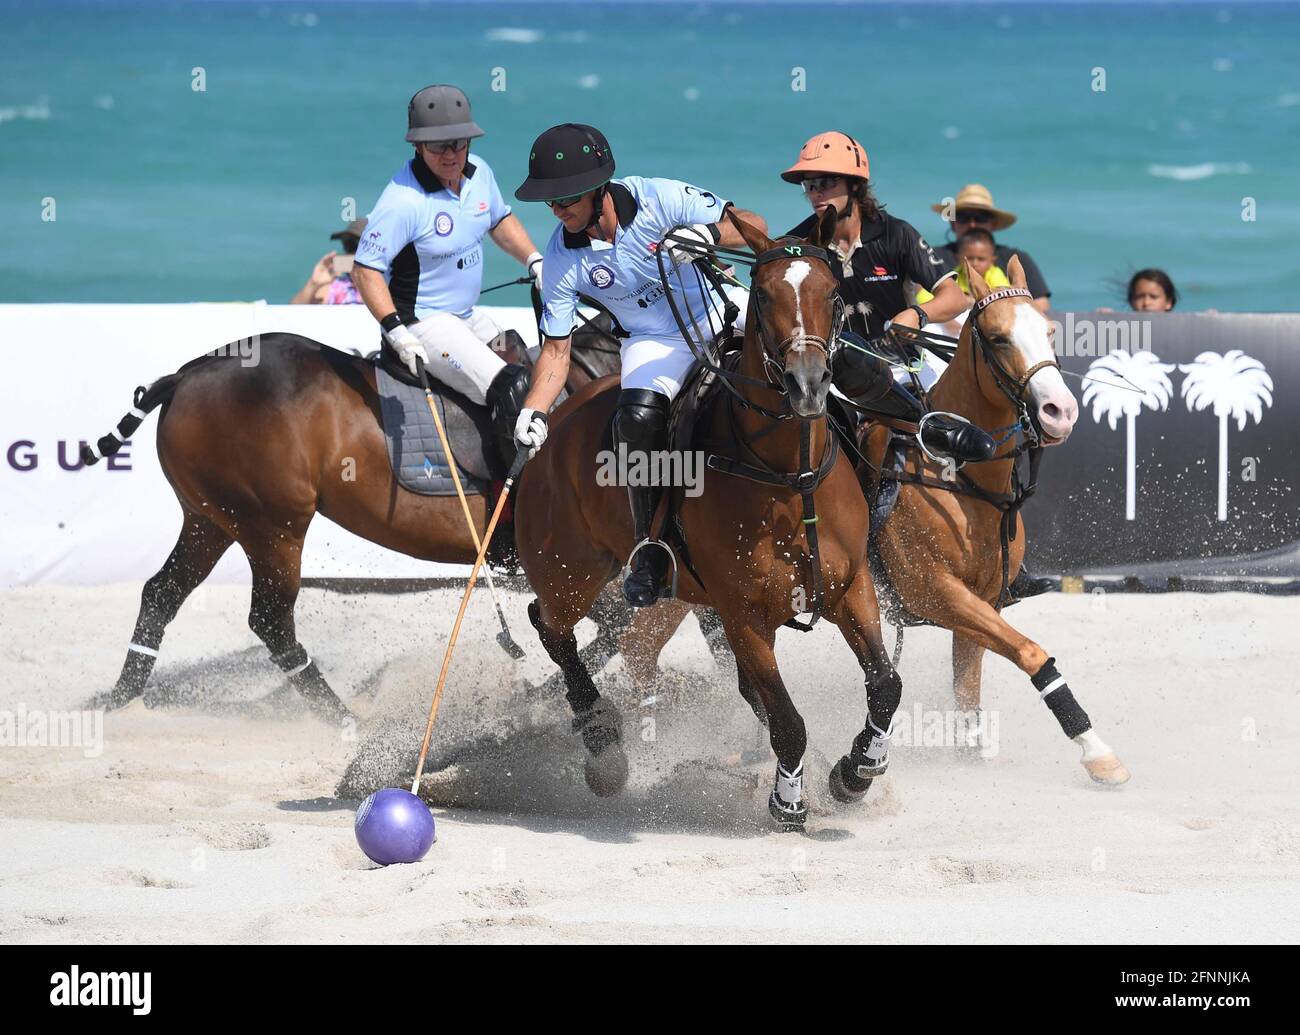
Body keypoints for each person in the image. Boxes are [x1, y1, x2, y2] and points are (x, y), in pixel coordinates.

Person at [509, 123, 770, 607]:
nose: (558, 209)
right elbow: (556, 351)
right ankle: (650, 548)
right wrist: (535, 411)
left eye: (566, 197)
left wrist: (707, 233)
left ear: (597, 187)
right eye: (550, 201)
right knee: (634, 422)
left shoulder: (659, 197)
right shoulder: (561, 259)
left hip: (720, 311)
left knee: (809, 368)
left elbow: (754, 225)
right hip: (656, 342)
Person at [351, 84, 546, 464]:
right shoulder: (403, 201)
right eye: (439, 146)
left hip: (467, 316)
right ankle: (517, 499)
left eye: (459, 143)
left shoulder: (480, 174)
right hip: (423, 325)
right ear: (418, 146)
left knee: (527, 368)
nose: (451, 154)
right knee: (510, 388)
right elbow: (364, 271)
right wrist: (396, 331)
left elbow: (500, 220)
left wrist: (534, 260)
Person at [780, 131, 995, 461]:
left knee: (954, 441)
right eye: (809, 185)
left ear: (854, 185)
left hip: (902, 369)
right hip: (835, 376)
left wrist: (918, 315)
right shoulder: (801, 243)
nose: (815, 193)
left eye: (825, 182)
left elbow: (954, 297)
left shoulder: (896, 234)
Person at [932, 183, 1052, 314]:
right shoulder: (933, 257)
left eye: (981, 217)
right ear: (953, 223)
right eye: (963, 217)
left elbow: (1042, 303)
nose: (972, 224)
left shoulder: (1015, 259)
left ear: (993, 223)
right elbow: (920, 296)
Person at [291, 219, 366, 305]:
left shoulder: (383, 284)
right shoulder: (334, 288)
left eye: (356, 245)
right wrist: (313, 284)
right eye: (348, 244)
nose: (351, 252)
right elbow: (292, 312)